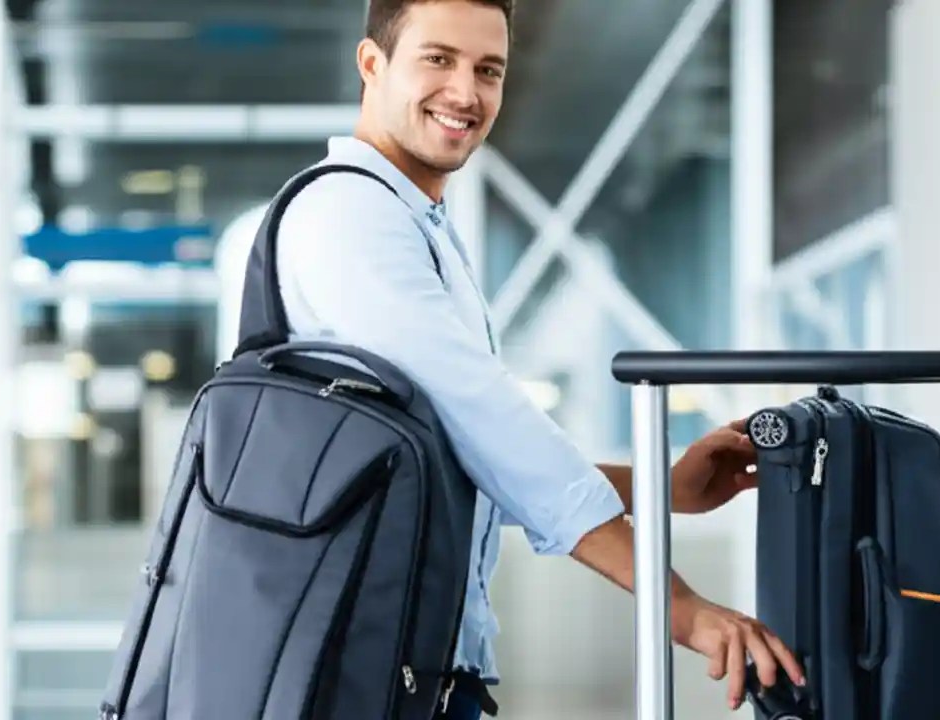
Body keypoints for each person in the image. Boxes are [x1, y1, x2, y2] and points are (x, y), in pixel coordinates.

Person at [273, 0, 805, 716]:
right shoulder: (351, 219)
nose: (466, 92)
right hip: (353, 673)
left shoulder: (416, 226)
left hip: (401, 665)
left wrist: (662, 486)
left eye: (487, 69)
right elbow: (488, 424)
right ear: (373, 64)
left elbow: (460, 458)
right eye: (438, 59)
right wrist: (682, 609)